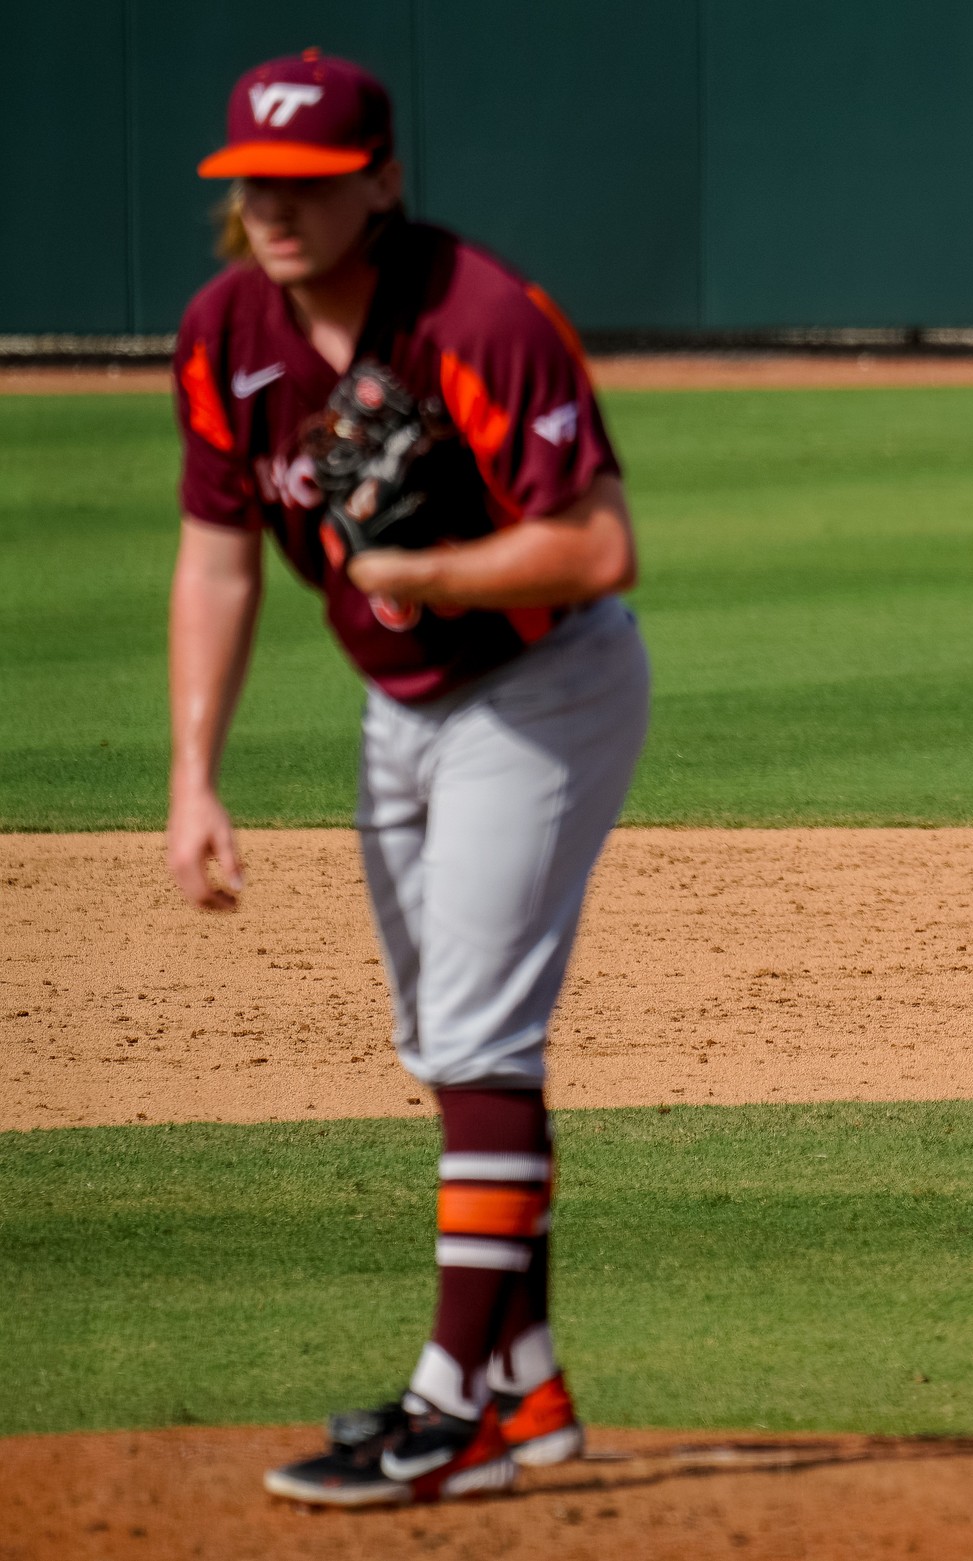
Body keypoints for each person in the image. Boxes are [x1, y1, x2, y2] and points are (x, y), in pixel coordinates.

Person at [166, 51, 650, 1504]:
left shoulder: (478, 317)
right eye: (253, 181)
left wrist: (427, 571)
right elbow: (216, 558)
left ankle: (447, 1409)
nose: (274, 207)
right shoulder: (225, 332)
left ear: (379, 180)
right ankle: (528, 1383)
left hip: (544, 691)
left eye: (307, 182)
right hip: (401, 708)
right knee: (443, 1044)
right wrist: (193, 775)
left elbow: (599, 545)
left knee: (482, 1037)